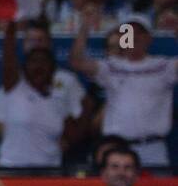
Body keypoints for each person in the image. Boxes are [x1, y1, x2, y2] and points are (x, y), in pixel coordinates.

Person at [71, 10, 178, 166]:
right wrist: (85, 27)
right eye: (127, 32)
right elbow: (77, 62)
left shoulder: (163, 66)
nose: (133, 37)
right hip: (117, 148)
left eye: (139, 33)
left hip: (152, 147)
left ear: (148, 38)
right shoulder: (111, 67)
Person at [0, 21, 84, 169]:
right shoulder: (14, 86)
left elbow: (75, 131)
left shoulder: (60, 98)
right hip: (13, 168)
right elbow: (8, 61)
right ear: (25, 67)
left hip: (49, 171)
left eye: (43, 63)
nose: (38, 66)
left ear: (52, 69)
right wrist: (10, 31)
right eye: (34, 62)